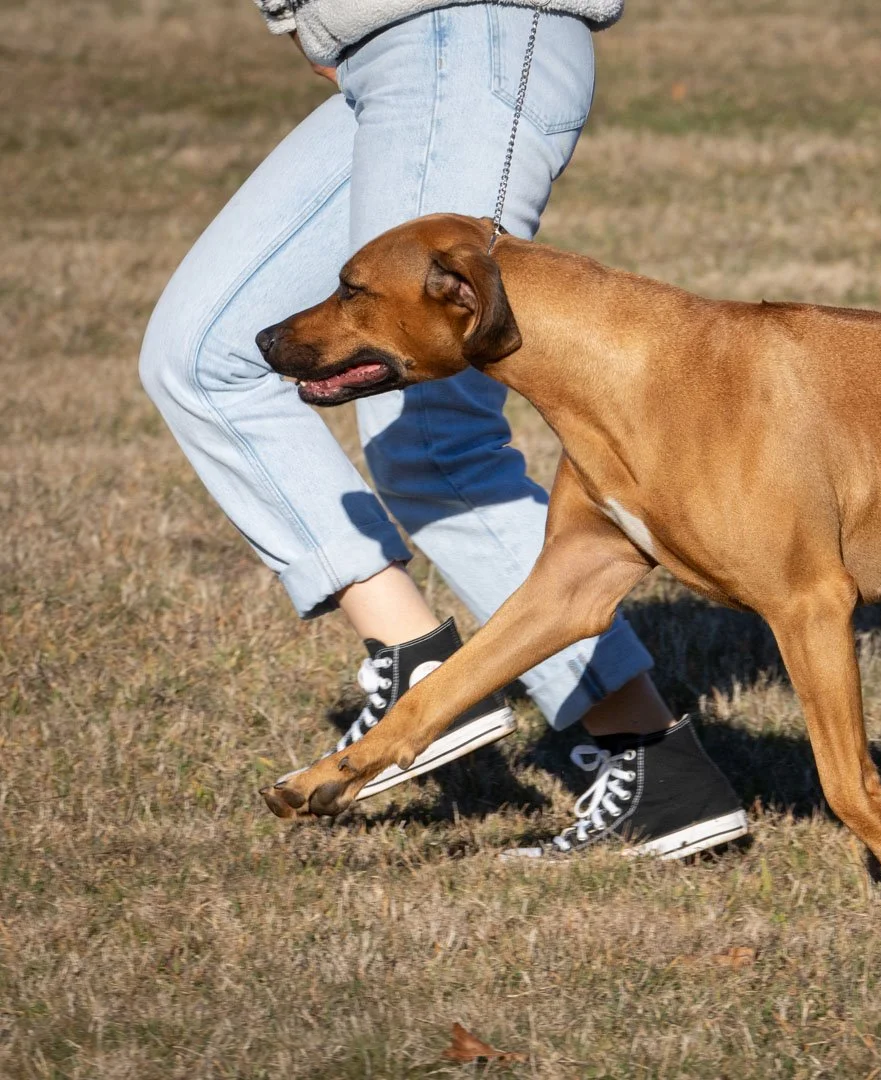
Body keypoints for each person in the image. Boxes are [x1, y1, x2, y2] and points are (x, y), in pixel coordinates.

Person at [138, 0, 747, 860]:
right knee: (201, 359)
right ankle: (413, 650)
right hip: (383, 57)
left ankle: (655, 766)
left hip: (470, 32)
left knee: (431, 435)